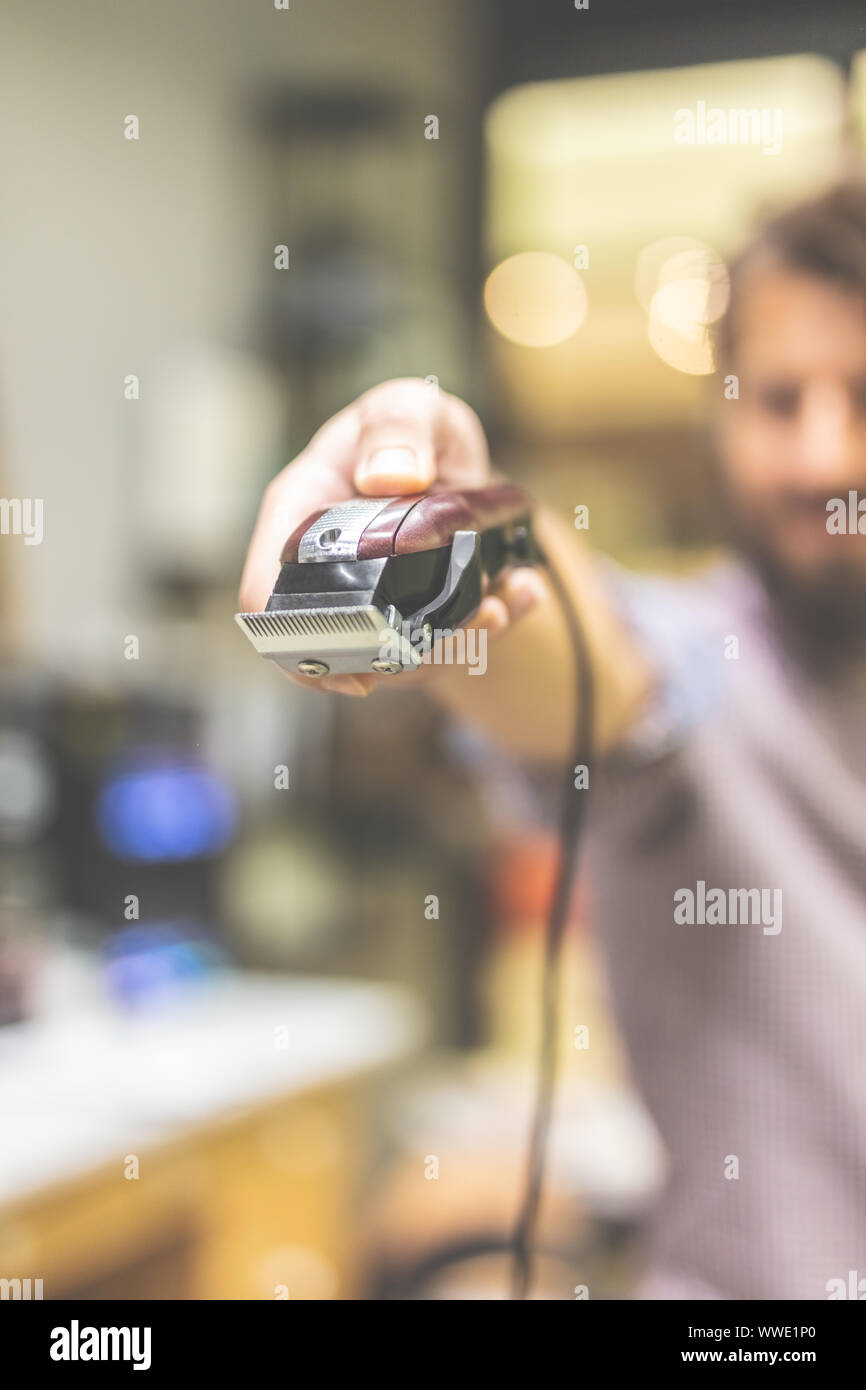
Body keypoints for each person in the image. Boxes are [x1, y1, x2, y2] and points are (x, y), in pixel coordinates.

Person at [240, 175, 866, 1300]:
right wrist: (467, 522)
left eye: (863, 398)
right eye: (778, 402)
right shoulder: (703, 663)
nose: (822, 460)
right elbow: (590, 663)